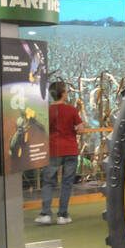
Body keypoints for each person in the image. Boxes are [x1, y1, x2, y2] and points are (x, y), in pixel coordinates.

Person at [37, 81, 85, 225]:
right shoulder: (72, 110)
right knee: (67, 183)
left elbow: (41, 129)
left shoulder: (47, 111)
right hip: (70, 149)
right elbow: (81, 129)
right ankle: (62, 215)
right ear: (63, 94)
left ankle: (45, 214)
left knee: (47, 182)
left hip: (53, 150)